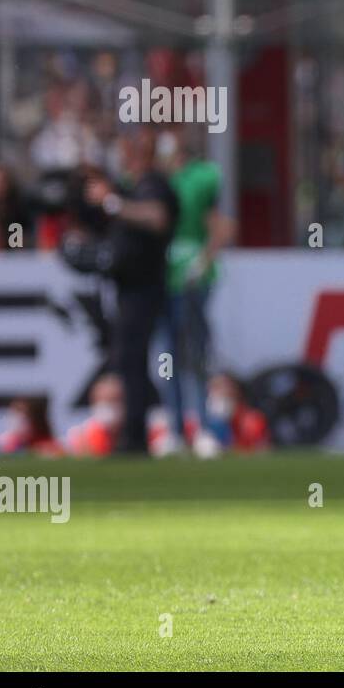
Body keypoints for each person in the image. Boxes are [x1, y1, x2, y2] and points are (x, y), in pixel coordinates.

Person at [83, 128, 179, 454]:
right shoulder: (132, 187)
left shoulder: (152, 184)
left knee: (134, 359)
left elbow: (157, 217)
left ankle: (136, 434)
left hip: (145, 287)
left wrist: (112, 202)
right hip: (129, 287)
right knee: (128, 360)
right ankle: (134, 431)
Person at [158, 125, 234, 452]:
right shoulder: (152, 181)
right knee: (167, 355)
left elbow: (221, 224)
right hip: (162, 277)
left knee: (195, 353)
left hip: (192, 277)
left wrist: (204, 259)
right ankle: (175, 428)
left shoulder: (202, 178)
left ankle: (201, 426)